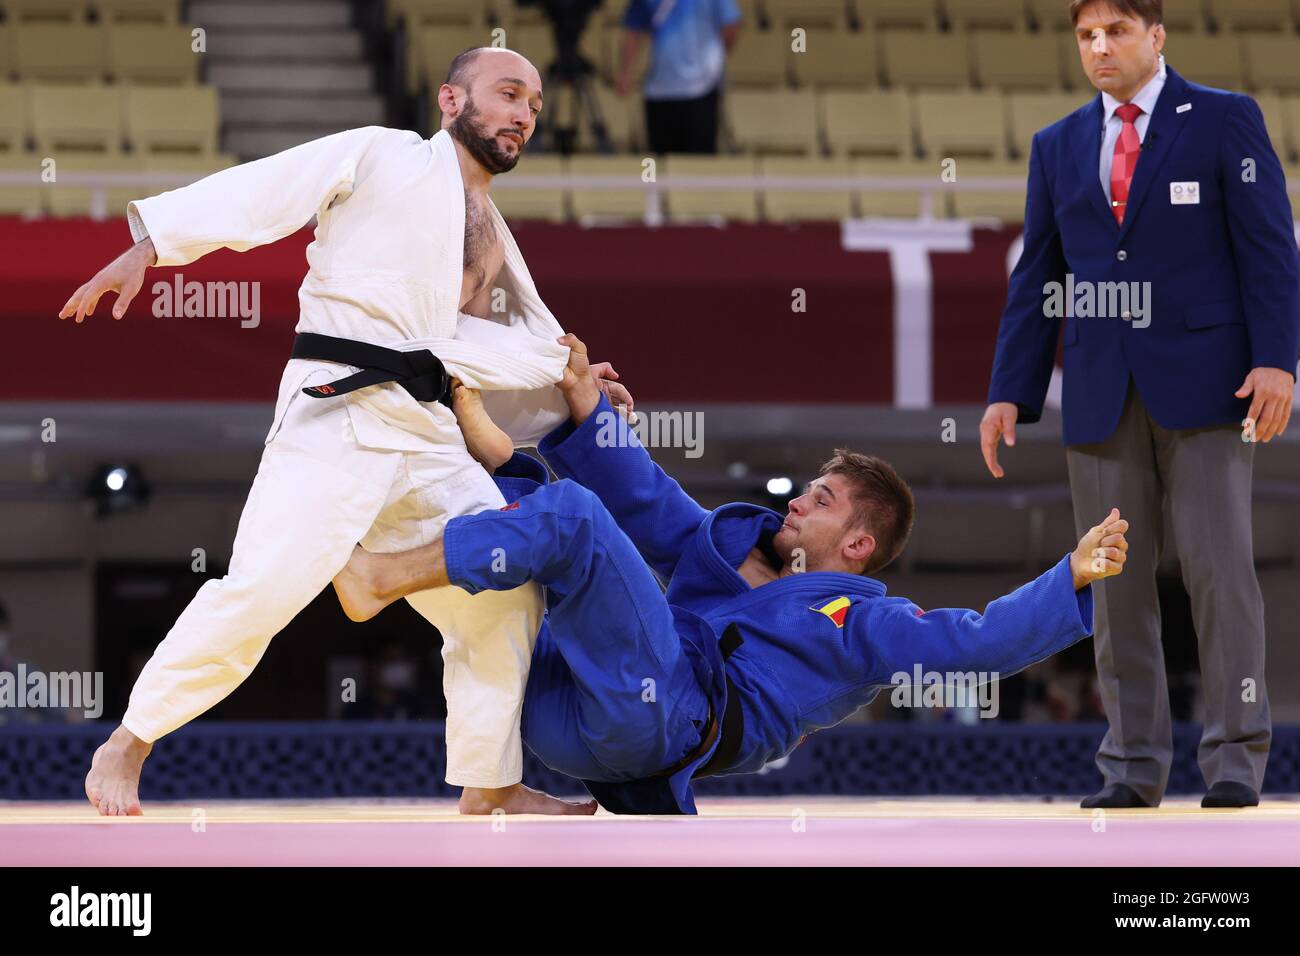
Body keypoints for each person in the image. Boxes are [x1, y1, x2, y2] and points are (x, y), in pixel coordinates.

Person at [60, 48, 631, 817]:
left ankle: (489, 780)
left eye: (533, 101)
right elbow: (268, 190)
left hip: (426, 430)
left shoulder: (490, 232)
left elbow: (484, 344)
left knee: (504, 586)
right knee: (263, 588)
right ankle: (128, 742)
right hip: (338, 406)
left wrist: (578, 386)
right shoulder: (383, 154)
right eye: (506, 93)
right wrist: (154, 244)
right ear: (450, 100)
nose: (524, 113)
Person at [332, 336, 1130, 814]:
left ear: (855, 545)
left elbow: (976, 643)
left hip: (662, 719)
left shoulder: (861, 620)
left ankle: (382, 577)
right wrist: (586, 406)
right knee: (528, 514)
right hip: (559, 717)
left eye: (818, 501)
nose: (796, 504)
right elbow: (643, 498)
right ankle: (489, 782)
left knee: (572, 519)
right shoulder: (730, 549)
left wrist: (1070, 575)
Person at [981, 0, 1300, 808]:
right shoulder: (1057, 145)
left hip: (1209, 385)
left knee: (1219, 574)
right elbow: (1038, 279)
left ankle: (1234, 761)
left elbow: (1269, 248)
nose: (1099, 48)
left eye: (1116, 31)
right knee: (1113, 584)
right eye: (1087, 35)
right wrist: (1009, 393)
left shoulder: (1225, 120)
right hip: (1098, 387)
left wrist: (1276, 362)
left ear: (1156, 37)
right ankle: (1132, 767)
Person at [617, 0, 742, 155]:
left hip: (702, 88)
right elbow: (633, 32)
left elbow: (730, 26)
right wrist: (625, 71)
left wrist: (713, 60)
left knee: (699, 163)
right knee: (660, 162)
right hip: (659, 90)